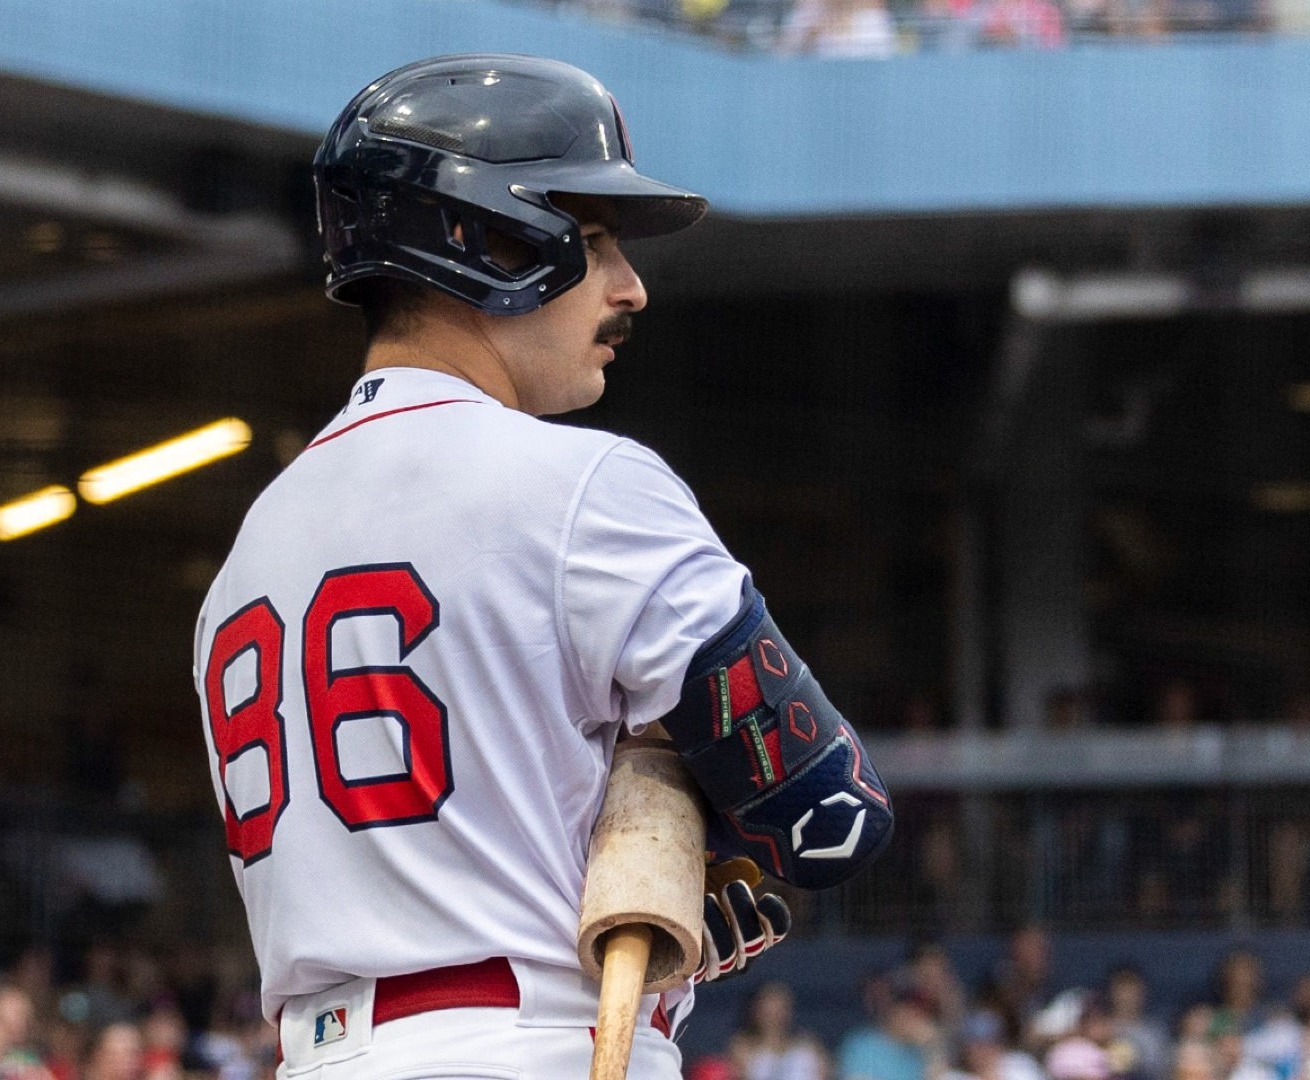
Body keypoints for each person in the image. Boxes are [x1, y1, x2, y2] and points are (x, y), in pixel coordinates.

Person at [192, 52, 892, 1080]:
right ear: (484, 238)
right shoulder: (586, 484)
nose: (629, 286)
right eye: (595, 240)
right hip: (532, 1044)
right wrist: (697, 816)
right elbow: (830, 820)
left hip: (320, 1054)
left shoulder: (249, 549)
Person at [730, 983, 828, 1080]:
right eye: (770, 1007)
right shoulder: (742, 1048)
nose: (776, 1014)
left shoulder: (810, 1046)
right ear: (757, 1010)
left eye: (782, 1007)